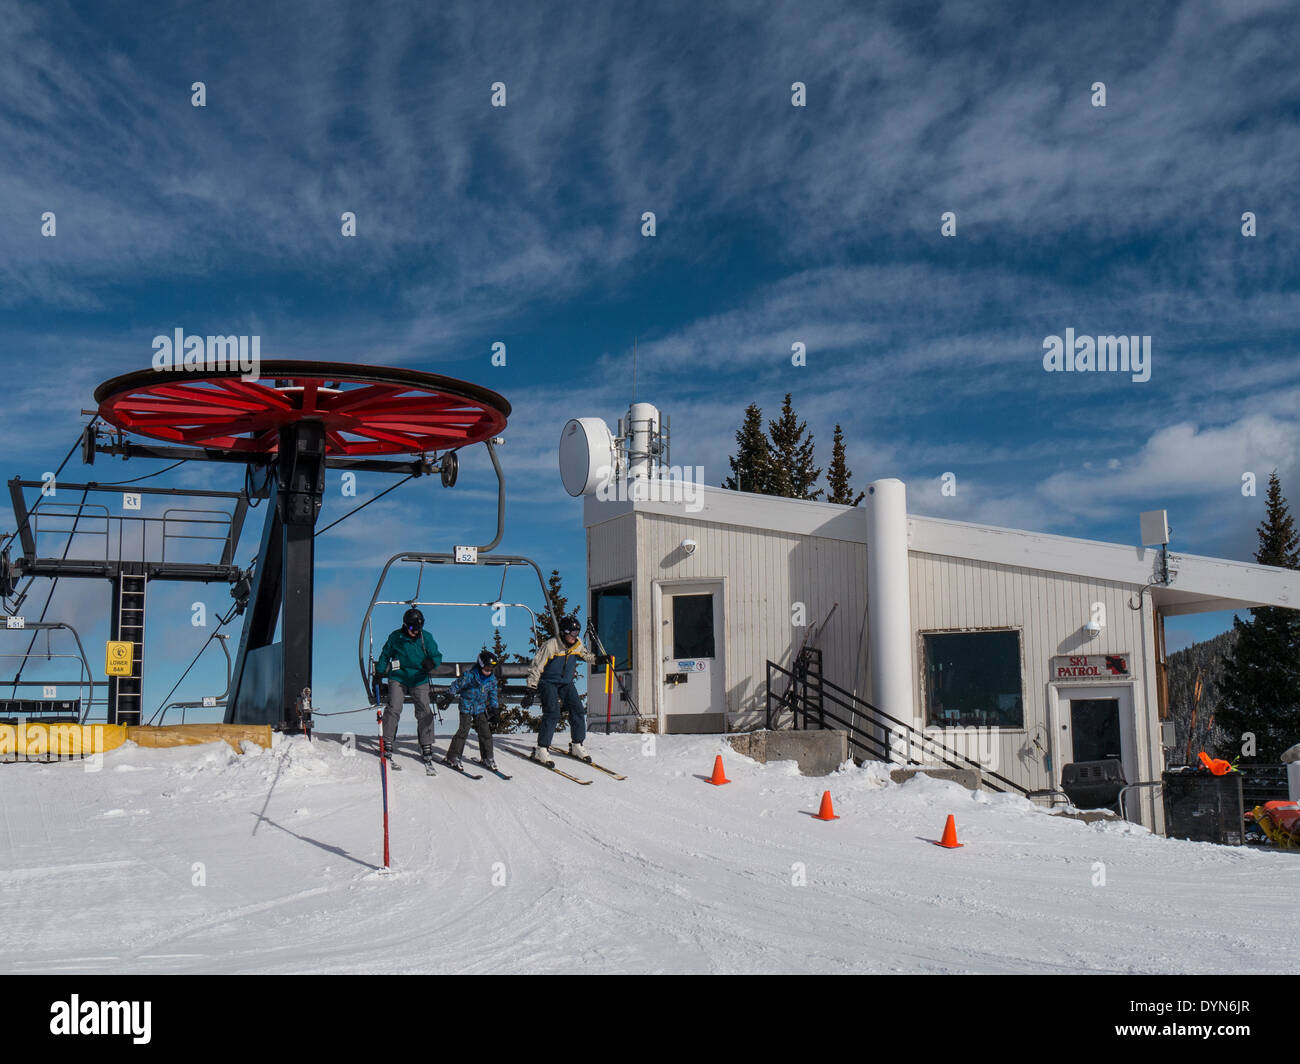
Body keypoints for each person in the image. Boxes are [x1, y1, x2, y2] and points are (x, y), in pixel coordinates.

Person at [375, 607, 443, 771]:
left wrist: (432, 663)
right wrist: (379, 673)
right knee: (394, 707)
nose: (415, 632)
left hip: (419, 679)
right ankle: (388, 740)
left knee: (424, 709)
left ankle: (426, 743)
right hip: (398, 678)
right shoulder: (396, 637)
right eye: (413, 628)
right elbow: (385, 655)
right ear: (405, 626)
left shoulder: (426, 638)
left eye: (418, 628)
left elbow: (437, 656)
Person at [524, 615, 596, 766]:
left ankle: (577, 744)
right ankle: (542, 748)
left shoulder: (577, 644)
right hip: (548, 682)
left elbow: (585, 654)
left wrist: (598, 659)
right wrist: (531, 689)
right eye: (573, 633)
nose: (575, 637)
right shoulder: (551, 645)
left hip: (565, 683)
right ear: (564, 632)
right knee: (553, 712)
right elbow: (536, 667)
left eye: (577, 633)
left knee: (578, 710)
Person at [439, 650, 500, 771]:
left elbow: (493, 694)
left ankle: (487, 757)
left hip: (480, 708)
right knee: (463, 731)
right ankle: (453, 756)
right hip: (466, 707)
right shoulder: (470, 675)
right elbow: (456, 685)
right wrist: (449, 695)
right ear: (480, 665)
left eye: (491, 669)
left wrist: (495, 708)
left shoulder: (492, 679)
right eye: (486, 668)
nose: (488, 671)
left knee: (486, 733)